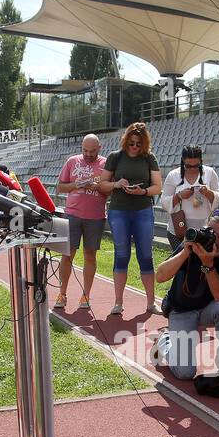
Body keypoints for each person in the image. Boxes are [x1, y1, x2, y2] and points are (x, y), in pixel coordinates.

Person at [154, 209, 219, 380]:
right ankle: (164, 342)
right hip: (182, 310)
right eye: (212, 234)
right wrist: (185, 252)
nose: (215, 241)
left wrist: (208, 264)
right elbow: (160, 276)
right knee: (185, 373)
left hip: (208, 309)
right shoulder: (195, 244)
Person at [98, 122, 162, 316]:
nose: (134, 146)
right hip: (119, 211)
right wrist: (117, 184)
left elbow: (157, 187)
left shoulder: (149, 158)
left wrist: (142, 191)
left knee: (145, 255)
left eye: (138, 144)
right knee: (122, 254)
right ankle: (118, 302)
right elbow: (102, 185)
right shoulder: (115, 157)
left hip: (143, 210)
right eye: (131, 143)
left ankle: (151, 303)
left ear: (144, 144)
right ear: (126, 141)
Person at [54, 133, 107, 310]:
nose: (88, 154)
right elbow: (60, 187)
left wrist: (98, 187)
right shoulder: (72, 161)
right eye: (85, 150)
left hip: (96, 216)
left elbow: (111, 190)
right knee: (67, 254)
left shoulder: (106, 164)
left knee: (90, 255)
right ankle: (62, 293)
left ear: (99, 148)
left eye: (92, 151)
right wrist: (77, 185)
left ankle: (86, 295)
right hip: (73, 215)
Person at [160, 144, 219, 248]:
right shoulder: (173, 175)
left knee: (200, 262)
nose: (192, 169)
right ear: (182, 161)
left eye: (196, 166)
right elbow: (164, 202)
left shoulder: (210, 173)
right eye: (188, 166)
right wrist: (179, 196)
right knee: (181, 263)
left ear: (201, 161)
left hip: (203, 229)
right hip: (179, 228)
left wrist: (208, 192)